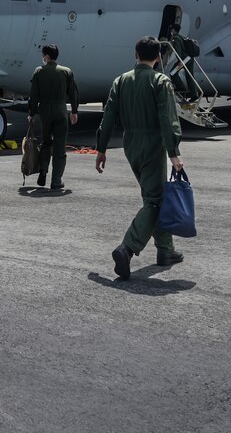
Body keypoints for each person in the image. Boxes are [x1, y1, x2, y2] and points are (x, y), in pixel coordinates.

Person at [94, 36, 185, 280]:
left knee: (155, 196)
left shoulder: (121, 81)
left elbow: (109, 116)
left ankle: (166, 251)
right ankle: (127, 248)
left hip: (131, 146)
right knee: (155, 201)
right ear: (158, 58)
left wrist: (101, 149)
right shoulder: (160, 80)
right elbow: (168, 119)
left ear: (136, 54)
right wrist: (174, 153)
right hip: (153, 146)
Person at [26, 44, 80, 191]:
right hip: (61, 110)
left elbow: (34, 95)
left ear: (47, 56)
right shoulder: (66, 72)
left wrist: (31, 114)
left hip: (45, 111)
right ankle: (56, 181)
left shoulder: (39, 71)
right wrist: (74, 111)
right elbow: (73, 93)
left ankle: (43, 170)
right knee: (60, 147)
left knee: (46, 142)